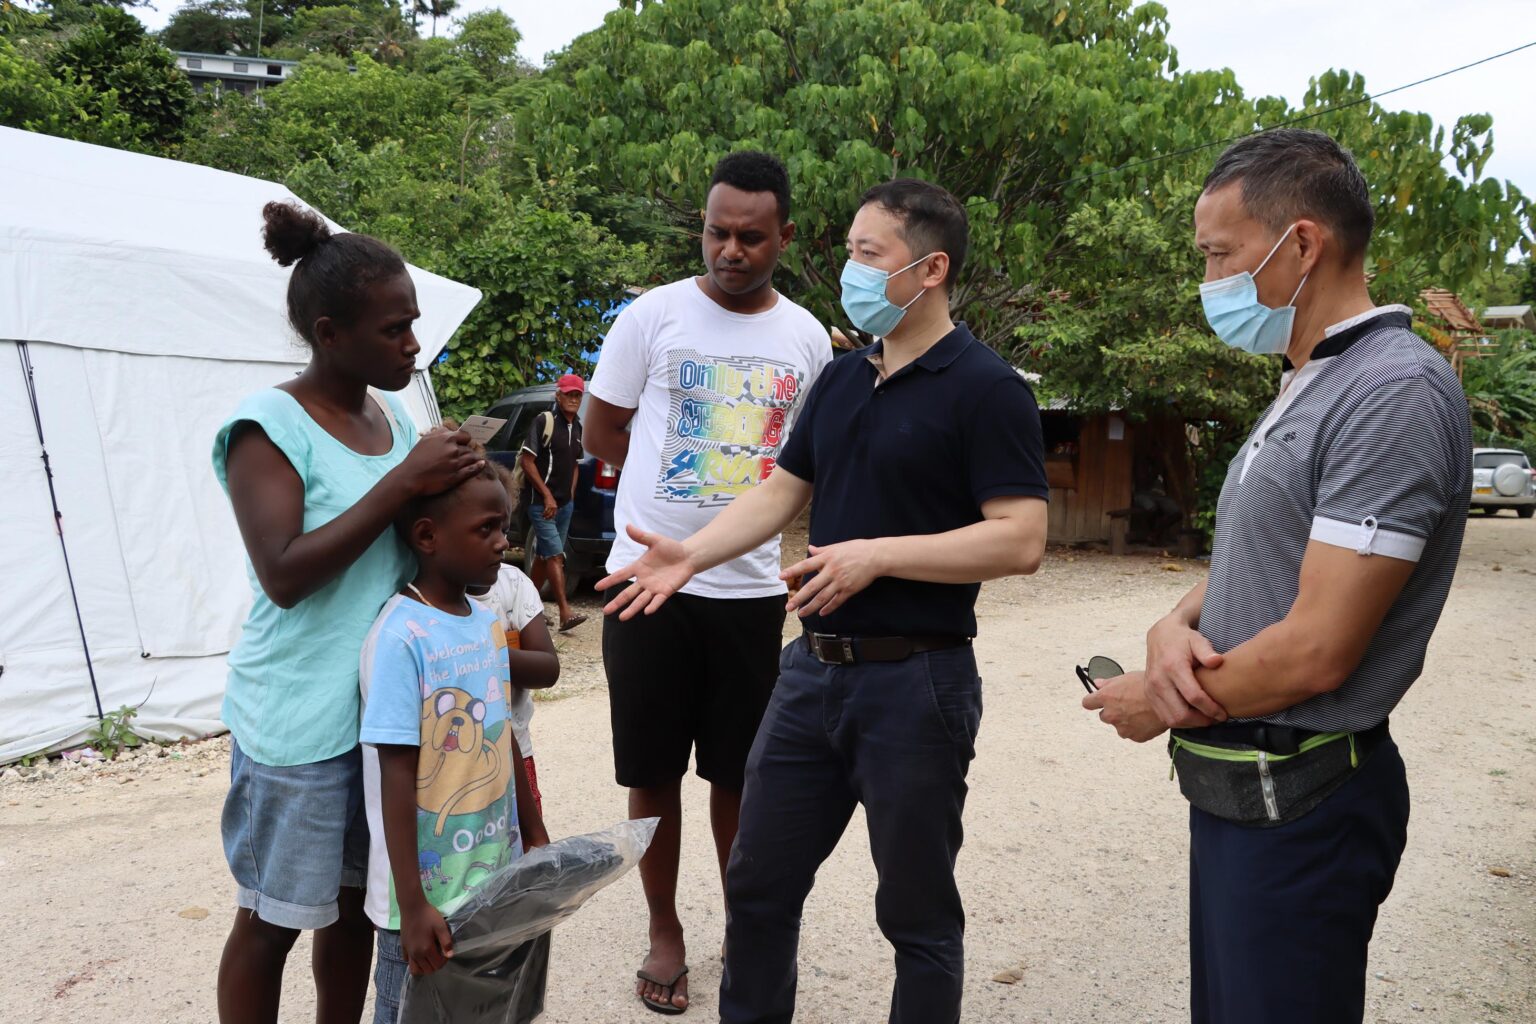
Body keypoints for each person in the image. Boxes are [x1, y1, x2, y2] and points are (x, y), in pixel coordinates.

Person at [601, 178, 1049, 1024]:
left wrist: (879, 557)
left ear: (930, 268)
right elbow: (779, 495)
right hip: (811, 673)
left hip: (918, 684)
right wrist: (685, 558)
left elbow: (1020, 537)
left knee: (915, 917)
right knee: (759, 892)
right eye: (847, 249)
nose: (847, 268)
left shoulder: (988, 388)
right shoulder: (843, 381)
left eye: (867, 254)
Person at [1083, 129, 1470, 1024]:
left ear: (1302, 244)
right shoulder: (1306, 380)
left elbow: (1321, 647)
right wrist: (1172, 625)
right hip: (1243, 794)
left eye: (1220, 255)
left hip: (1305, 803)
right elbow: (1259, 558)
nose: (1208, 280)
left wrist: (1160, 696)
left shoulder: (1392, 390)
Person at [212, 201, 483, 1024]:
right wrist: (405, 482)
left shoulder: (390, 416)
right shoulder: (268, 427)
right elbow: (285, 572)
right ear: (329, 333)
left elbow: (408, 539)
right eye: (395, 329)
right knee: (274, 920)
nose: (412, 344)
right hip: (299, 720)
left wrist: (457, 481)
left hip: (384, 719)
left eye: (415, 325)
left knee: (357, 910)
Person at [583, 150, 832, 1015]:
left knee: (741, 774)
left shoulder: (805, 338)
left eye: (751, 237)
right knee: (649, 773)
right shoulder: (652, 318)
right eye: (717, 231)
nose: (730, 249)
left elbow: (801, 466)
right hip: (641, 589)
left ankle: (740, 925)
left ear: (784, 238)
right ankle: (664, 929)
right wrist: (664, 508)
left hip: (750, 595)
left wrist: (728, 538)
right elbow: (602, 426)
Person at [358, 454, 551, 1023]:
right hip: (418, 903)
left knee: (484, 1007)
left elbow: (504, 734)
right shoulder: (400, 637)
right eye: (486, 529)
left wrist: (534, 832)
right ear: (428, 536)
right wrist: (413, 904)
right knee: (408, 1011)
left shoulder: (486, 623)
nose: (502, 543)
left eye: (505, 528)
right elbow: (395, 772)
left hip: (491, 876)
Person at [520, 373, 588, 632]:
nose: (573, 399)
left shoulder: (578, 427)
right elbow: (527, 461)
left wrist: (568, 496)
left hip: (563, 505)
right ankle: (564, 612)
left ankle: (525, 608)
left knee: (544, 556)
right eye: (569, 394)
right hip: (541, 503)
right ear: (558, 396)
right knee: (556, 556)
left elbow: (575, 465)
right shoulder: (544, 421)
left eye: (577, 395)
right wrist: (547, 495)